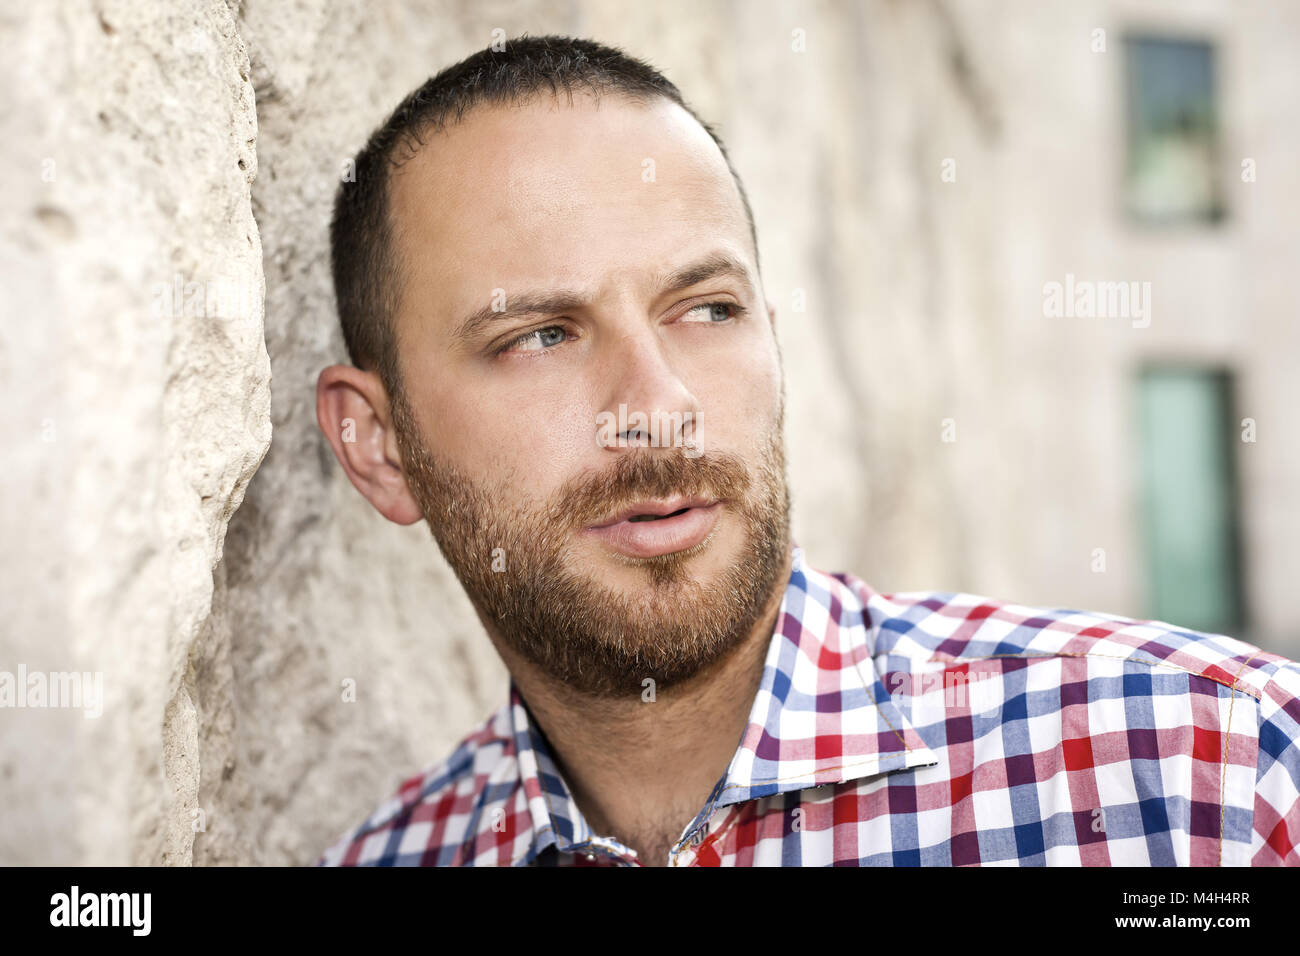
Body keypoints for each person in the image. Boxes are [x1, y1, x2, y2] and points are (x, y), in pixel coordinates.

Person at [314, 35, 1300, 866]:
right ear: (379, 446)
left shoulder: (1210, 774)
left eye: (705, 309)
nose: (659, 406)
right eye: (538, 334)